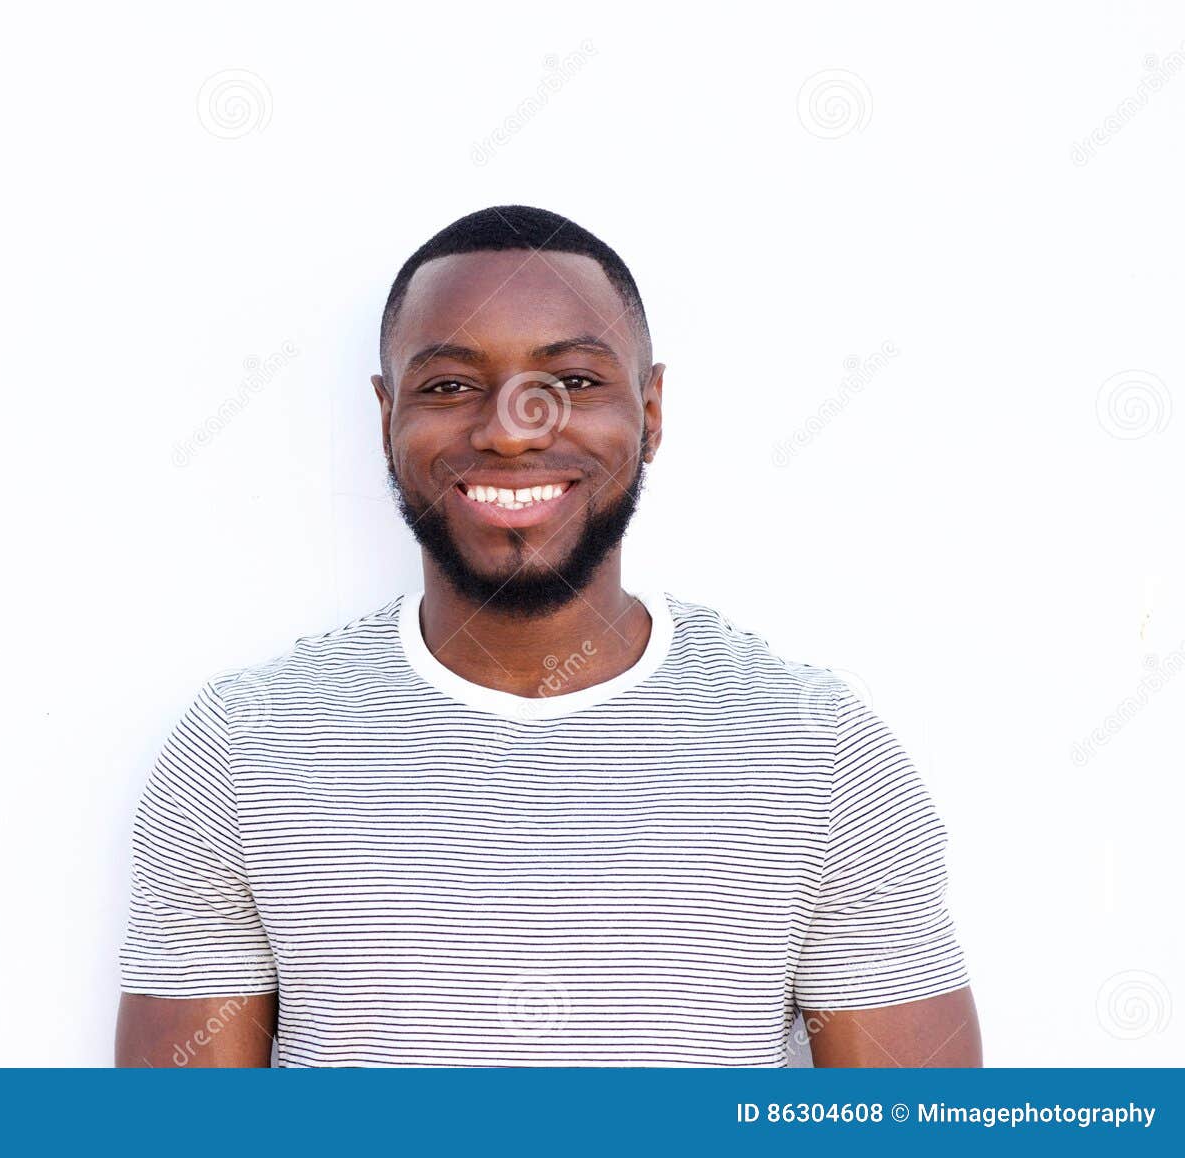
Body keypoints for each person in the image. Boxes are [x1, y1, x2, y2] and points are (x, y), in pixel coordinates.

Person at [115, 205, 981, 1067]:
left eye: (572, 382)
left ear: (651, 409)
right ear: (386, 419)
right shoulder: (246, 745)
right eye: (450, 386)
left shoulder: (815, 747)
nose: (511, 427)